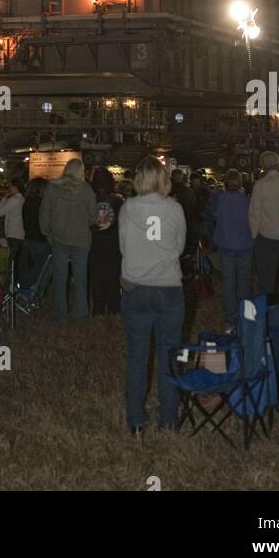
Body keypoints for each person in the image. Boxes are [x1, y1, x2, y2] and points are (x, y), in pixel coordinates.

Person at [118, 156, 186, 435]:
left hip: (135, 287)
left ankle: (136, 419)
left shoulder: (127, 208)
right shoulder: (174, 209)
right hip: (167, 287)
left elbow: (123, 247)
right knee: (169, 354)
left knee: (137, 355)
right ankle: (168, 419)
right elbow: (179, 247)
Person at [39, 158, 97, 323]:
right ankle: (80, 312)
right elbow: (93, 216)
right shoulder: (86, 189)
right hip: (81, 239)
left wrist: (47, 233)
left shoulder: (52, 188)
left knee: (60, 277)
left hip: (58, 238)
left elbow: (44, 213)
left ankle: (61, 313)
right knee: (80, 278)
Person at [248, 152, 279, 300]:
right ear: (278, 164)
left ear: (263, 165)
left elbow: (254, 213)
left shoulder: (260, 185)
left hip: (266, 238)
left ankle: (268, 314)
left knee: (266, 281)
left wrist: (254, 235)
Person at [210, 170, 254, 329]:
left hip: (226, 244)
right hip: (245, 245)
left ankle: (230, 319)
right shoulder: (247, 201)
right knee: (245, 282)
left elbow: (213, 214)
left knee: (228, 283)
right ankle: (245, 317)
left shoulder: (219, 199)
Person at [88, 168, 122, 315]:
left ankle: (98, 306)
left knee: (96, 275)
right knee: (113, 275)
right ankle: (114, 305)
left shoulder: (89, 199)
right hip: (113, 242)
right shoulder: (118, 200)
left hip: (94, 242)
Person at [20, 177, 49, 288]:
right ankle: (21, 285)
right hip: (41, 239)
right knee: (43, 269)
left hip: (30, 239)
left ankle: (27, 290)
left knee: (38, 267)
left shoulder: (27, 202)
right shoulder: (41, 203)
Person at [0, 178, 26, 284]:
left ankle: (8, 286)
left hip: (13, 234)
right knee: (17, 262)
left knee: (11, 262)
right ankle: (16, 285)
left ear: (15, 187)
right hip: (20, 233)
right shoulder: (22, 199)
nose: (8, 189)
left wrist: (4, 198)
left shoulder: (14, 200)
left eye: (10, 186)